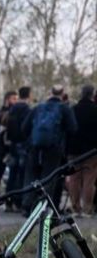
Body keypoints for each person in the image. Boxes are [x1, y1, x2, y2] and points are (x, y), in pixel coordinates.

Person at [21, 85, 78, 215]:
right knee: (49, 177)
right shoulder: (65, 109)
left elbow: (24, 128)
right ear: (63, 94)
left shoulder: (37, 108)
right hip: (54, 149)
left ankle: (27, 206)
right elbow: (73, 129)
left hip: (34, 148)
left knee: (31, 175)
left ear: (50, 93)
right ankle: (43, 208)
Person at [65, 84, 97, 216]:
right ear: (92, 95)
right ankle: (87, 209)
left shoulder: (73, 109)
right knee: (89, 180)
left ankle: (75, 207)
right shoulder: (95, 110)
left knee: (74, 179)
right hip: (91, 150)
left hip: (74, 149)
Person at [3, 86, 33, 212]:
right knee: (22, 175)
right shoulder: (27, 109)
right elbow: (27, 127)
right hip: (23, 145)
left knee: (12, 174)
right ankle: (19, 202)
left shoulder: (12, 109)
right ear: (29, 95)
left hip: (13, 145)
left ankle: (8, 201)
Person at [0, 91, 17, 200]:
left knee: (11, 177)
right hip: (1, 150)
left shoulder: (10, 113)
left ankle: (6, 199)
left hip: (9, 149)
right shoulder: (0, 114)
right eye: (13, 99)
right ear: (7, 99)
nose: (16, 101)